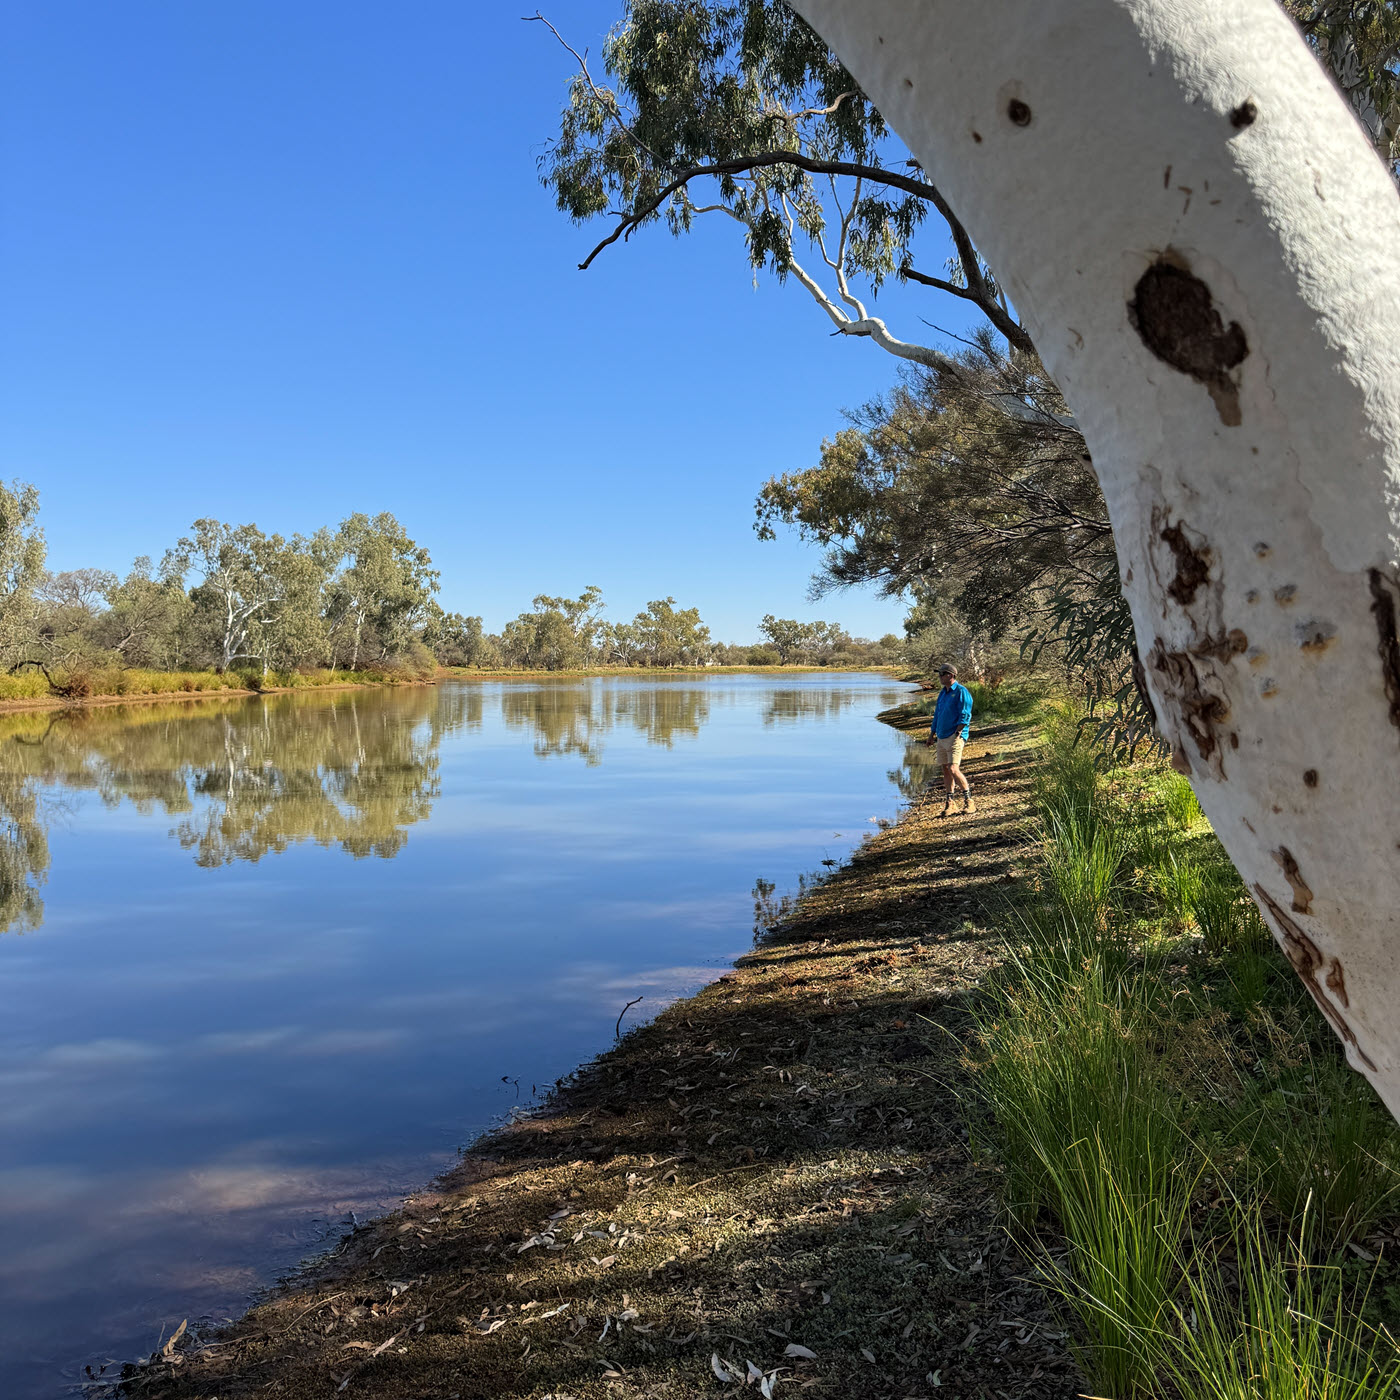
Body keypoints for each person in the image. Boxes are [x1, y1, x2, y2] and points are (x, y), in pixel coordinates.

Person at [925, 663, 975, 815]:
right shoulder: (943, 693)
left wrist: (958, 731)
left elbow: (966, 714)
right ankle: (950, 802)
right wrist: (931, 735)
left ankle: (969, 801)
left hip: (955, 736)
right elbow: (937, 715)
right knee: (945, 769)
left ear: (951, 675)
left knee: (953, 768)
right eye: (939, 674)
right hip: (941, 735)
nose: (939, 677)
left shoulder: (961, 692)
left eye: (942, 674)